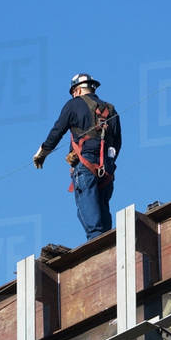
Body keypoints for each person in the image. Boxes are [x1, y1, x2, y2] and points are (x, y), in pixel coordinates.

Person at [33, 73, 121, 239]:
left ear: (78, 90)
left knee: (89, 213)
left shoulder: (74, 104)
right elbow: (117, 143)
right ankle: (109, 242)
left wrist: (43, 152)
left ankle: (98, 246)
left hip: (86, 165)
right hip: (107, 167)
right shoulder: (111, 110)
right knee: (102, 209)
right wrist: (107, 161)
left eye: (74, 92)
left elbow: (57, 130)